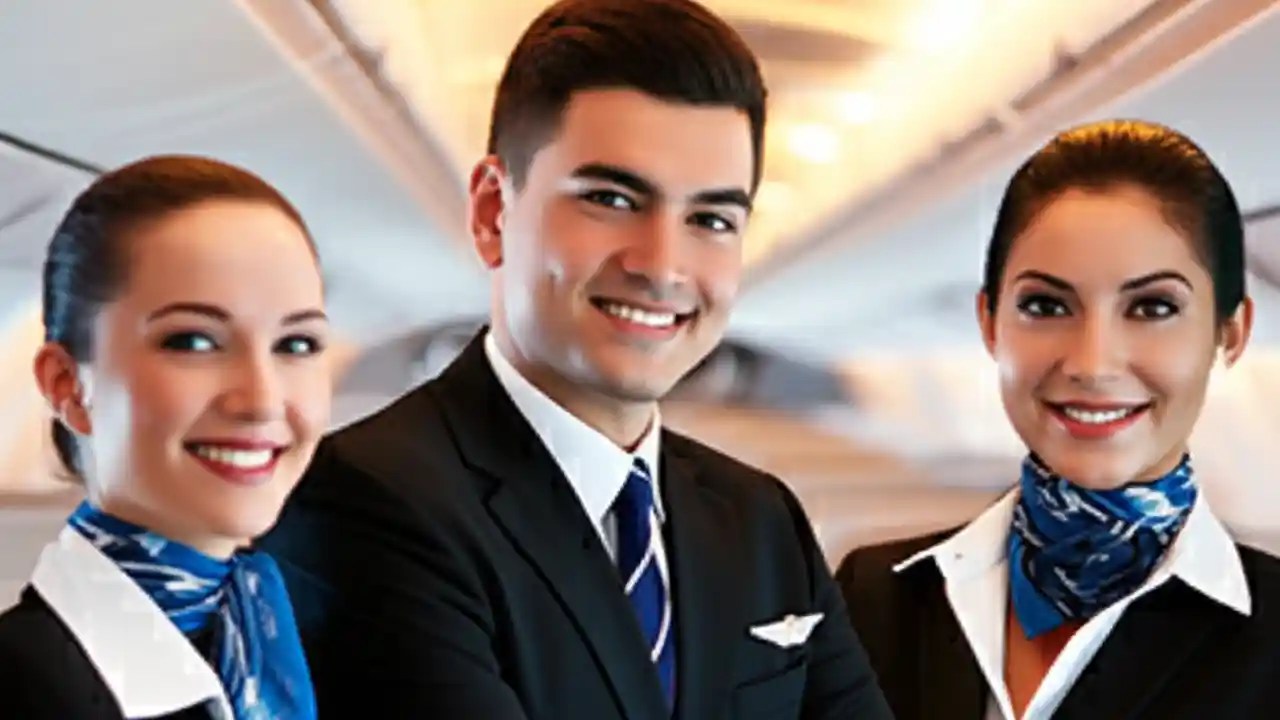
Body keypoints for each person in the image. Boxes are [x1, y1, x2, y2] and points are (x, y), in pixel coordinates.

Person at [257, 0, 891, 718]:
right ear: (495, 211)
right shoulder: (364, 498)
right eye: (612, 199)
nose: (662, 265)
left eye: (710, 219)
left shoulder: (760, 519)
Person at [836, 119, 1280, 719]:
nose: (1093, 364)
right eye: (1046, 306)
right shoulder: (875, 597)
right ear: (991, 323)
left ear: (1230, 334)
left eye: (1152, 307)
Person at [0, 156, 331, 719]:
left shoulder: (312, 639)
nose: (261, 400)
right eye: (194, 342)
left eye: (295, 345)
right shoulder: (20, 687)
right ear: (69, 386)